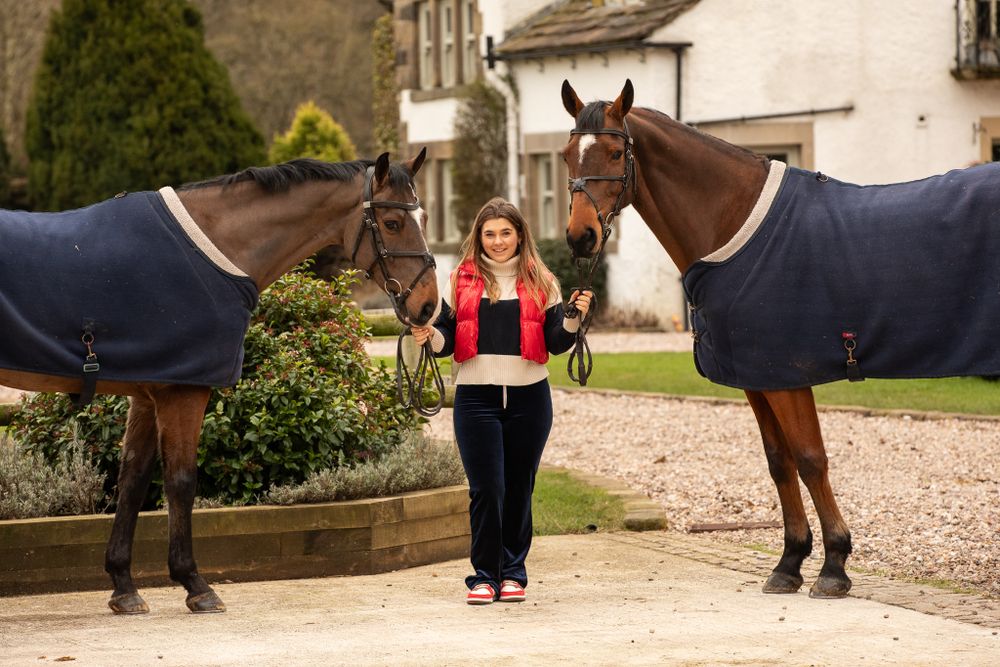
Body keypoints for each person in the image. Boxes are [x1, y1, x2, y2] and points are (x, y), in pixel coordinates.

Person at [411, 197, 592, 605]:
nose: (497, 241)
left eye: (505, 233)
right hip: (476, 399)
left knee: (519, 487)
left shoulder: (542, 279)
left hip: (531, 399)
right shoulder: (460, 278)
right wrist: (428, 336)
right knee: (486, 488)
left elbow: (555, 343)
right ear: (479, 237)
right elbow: (446, 341)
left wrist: (574, 316)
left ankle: (513, 574)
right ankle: (483, 577)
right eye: (489, 234)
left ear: (519, 235)